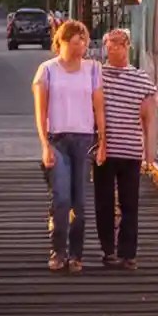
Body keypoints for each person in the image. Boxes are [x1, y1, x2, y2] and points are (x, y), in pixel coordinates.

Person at [32, 20, 106, 273]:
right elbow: (40, 113)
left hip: (84, 139)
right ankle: (58, 251)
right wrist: (45, 145)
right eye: (77, 41)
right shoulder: (47, 70)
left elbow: (99, 108)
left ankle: (76, 254)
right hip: (57, 139)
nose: (82, 46)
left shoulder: (93, 69)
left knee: (80, 203)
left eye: (84, 41)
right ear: (63, 41)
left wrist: (103, 141)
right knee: (61, 197)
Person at [94, 28, 158, 269]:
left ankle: (128, 252)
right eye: (109, 47)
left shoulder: (141, 79)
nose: (113, 51)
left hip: (130, 150)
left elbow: (150, 118)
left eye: (118, 46)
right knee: (104, 202)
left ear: (127, 47)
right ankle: (108, 249)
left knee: (130, 203)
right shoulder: (98, 75)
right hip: (104, 149)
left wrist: (150, 153)